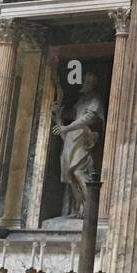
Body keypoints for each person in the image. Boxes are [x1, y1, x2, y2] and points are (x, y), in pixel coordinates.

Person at [52, 73, 105, 218]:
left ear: (94, 84)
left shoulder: (95, 98)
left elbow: (88, 118)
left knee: (79, 171)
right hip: (72, 137)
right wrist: (59, 113)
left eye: (90, 81)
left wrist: (66, 128)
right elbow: (75, 115)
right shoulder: (83, 99)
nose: (86, 83)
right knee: (70, 174)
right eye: (86, 81)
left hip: (83, 136)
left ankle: (91, 209)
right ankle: (79, 209)